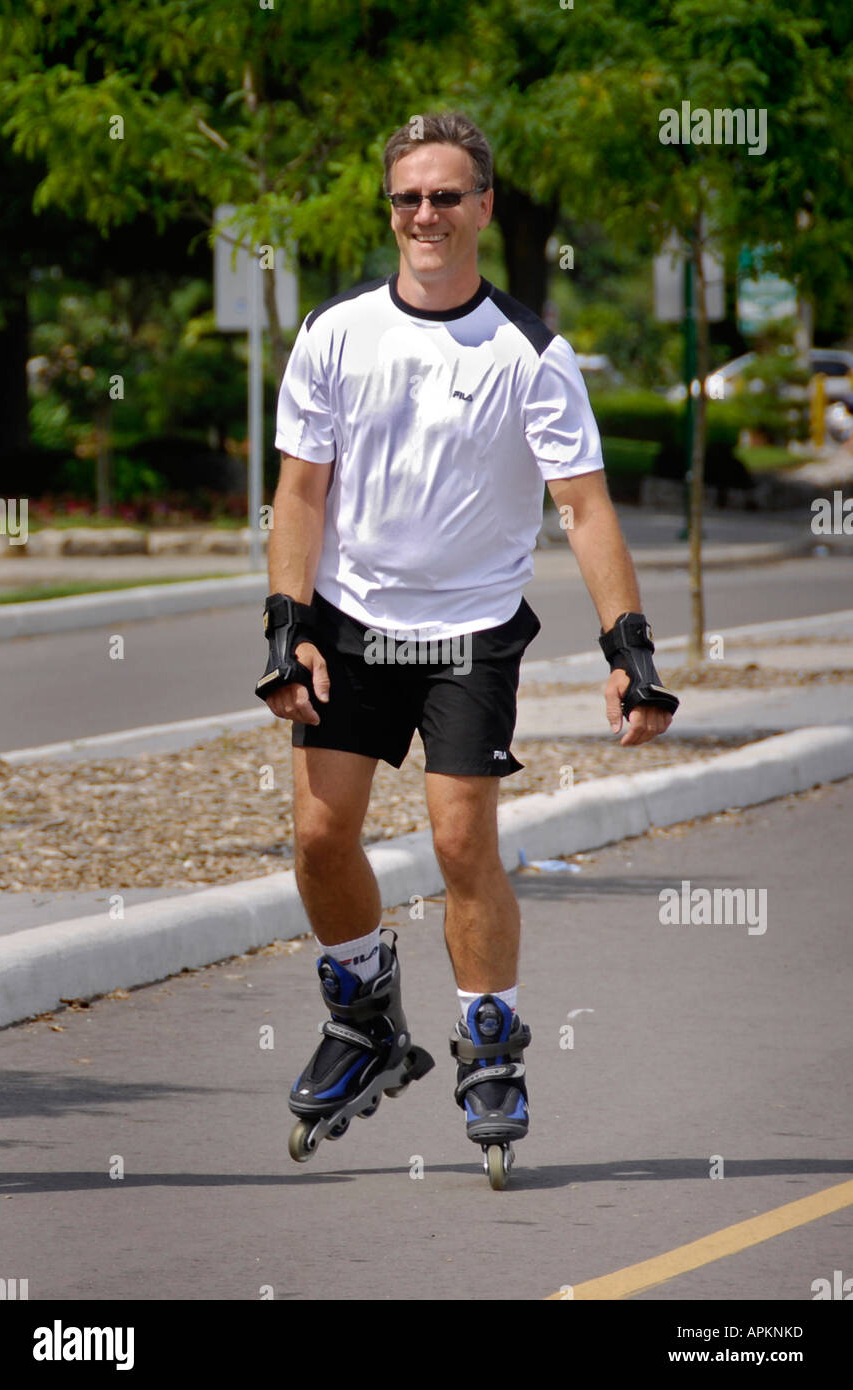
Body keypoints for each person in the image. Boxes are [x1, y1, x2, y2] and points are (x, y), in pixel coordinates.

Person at [255, 111, 678, 1185]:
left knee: (458, 843)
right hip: (350, 624)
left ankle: (490, 1046)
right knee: (318, 839)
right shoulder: (334, 333)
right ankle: (364, 1020)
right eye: (408, 197)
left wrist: (629, 648)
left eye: (447, 195)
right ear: (389, 209)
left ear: (484, 207)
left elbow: (584, 507)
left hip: (470, 634)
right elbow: (300, 492)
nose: (426, 214)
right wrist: (287, 624)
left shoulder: (530, 352)